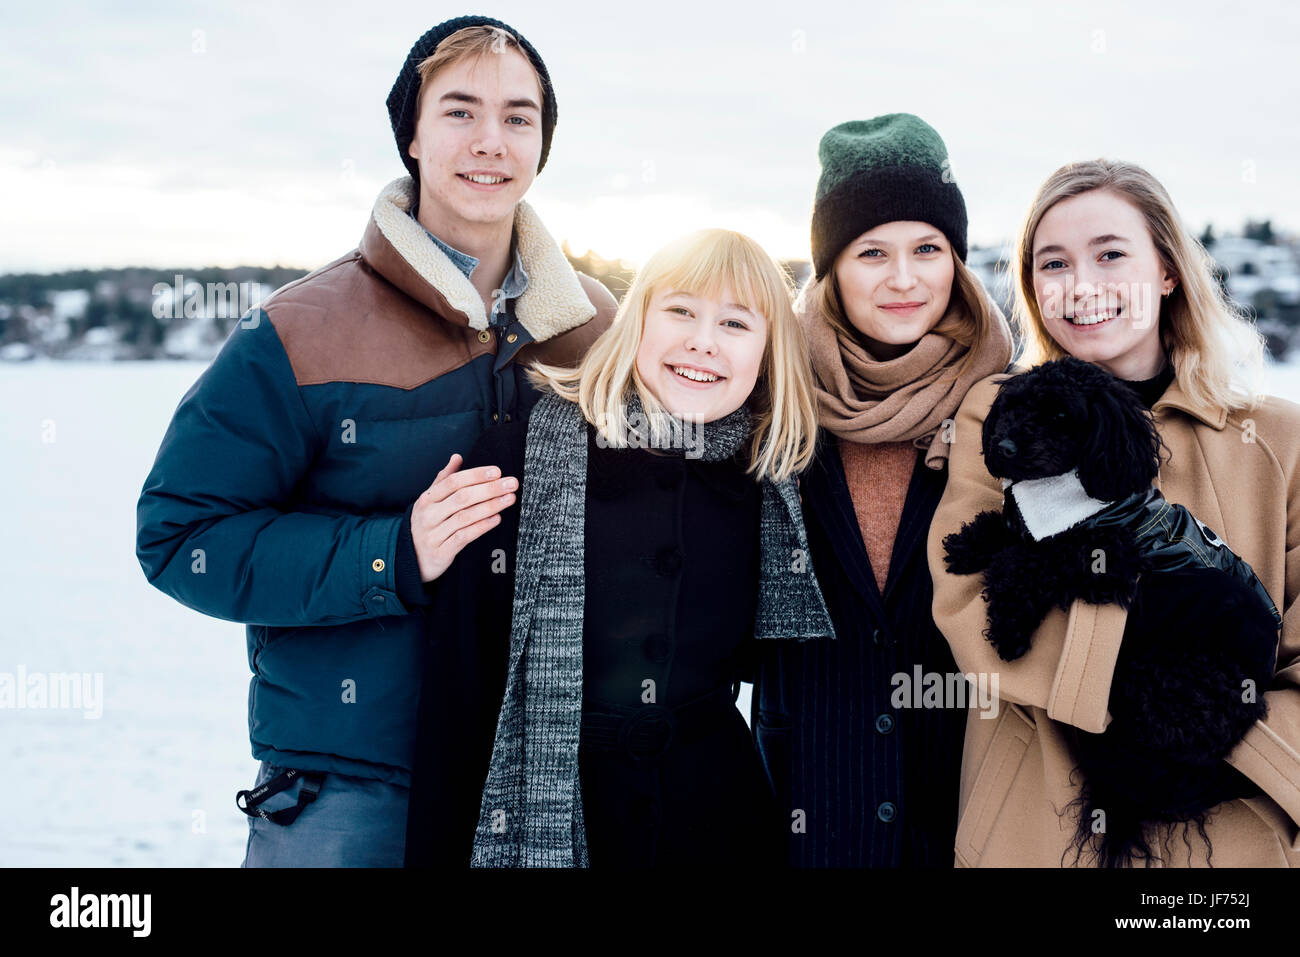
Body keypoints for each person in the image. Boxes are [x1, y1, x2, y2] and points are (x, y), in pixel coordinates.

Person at [135, 17, 617, 867]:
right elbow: (181, 537)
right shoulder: (298, 331)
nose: (489, 142)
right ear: (412, 133)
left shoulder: (596, 326)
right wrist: (392, 553)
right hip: (353, 795)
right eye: (460, 111)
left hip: (552, 788)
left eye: (518, 117)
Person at [404, 229, 835, 867]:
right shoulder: (523, 457)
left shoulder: (776, 486)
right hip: (563, 815)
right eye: (681, 310)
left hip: (719, 824)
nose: (703, 341)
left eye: (737, 323)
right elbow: (458, 691)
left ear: (768, 354)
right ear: (638, 320)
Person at [927, 158, 1300, 866]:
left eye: (1110, 254)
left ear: (1167, 270)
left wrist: (1229, 745)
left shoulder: (1279, 439)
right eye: (1054, 263)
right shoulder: (999, 414)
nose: (1082, 286)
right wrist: (1123, 687)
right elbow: (971, 606)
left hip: (1230, 840)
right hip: (1039, 833)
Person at [751, 114, 1015, 866]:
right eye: (872, 252)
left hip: (968, 828)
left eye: (927, 249)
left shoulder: (1014, 411)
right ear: (832, 267)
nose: (904, 279)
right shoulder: (772, 405)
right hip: (807, 822)